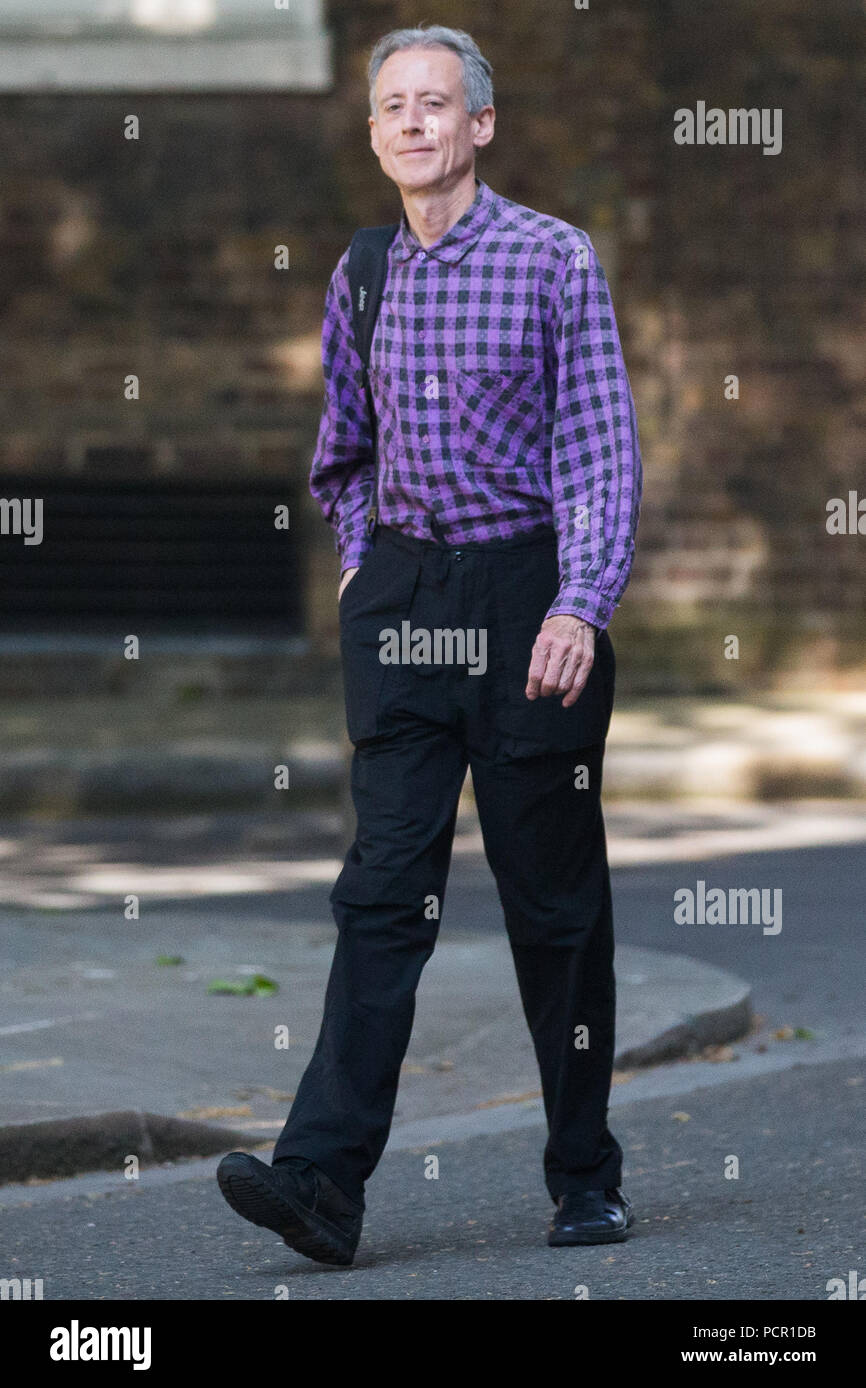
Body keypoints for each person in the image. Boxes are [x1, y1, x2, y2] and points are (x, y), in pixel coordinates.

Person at [218, 22, 642, 1267]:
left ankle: (584, 1175)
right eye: (391, 105)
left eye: (435, 103)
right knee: (380, 894)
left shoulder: (553, 261)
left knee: (551, 906)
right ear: (373, 135)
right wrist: (362, 563)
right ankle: (321, 1187)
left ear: (479, 127)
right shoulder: (358, 273)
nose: (411, 121)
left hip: (527, 603)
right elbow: (339, 451)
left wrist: (579, 603)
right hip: (405, 606)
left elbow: (597, 451)